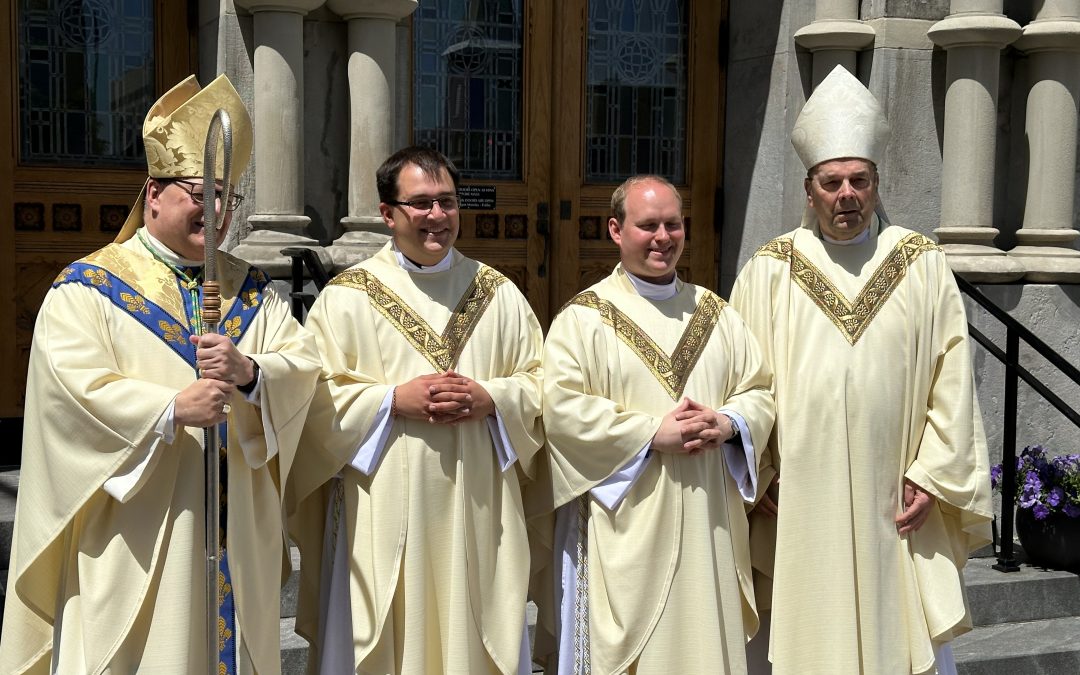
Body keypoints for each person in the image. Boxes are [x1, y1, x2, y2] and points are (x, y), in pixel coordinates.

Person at [0, 74, 321, 674]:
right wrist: (171, 409)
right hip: (135, 541)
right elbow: (68, 397)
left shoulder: (252, 290)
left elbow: (303, 372)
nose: (216, 210)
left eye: (227, 196)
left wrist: (251, 372)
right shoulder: (87, 289)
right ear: (152, 193)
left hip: (233, 540)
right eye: (199, 193)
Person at [730, 65, 993, 675]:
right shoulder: (769, 270)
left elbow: (952, 374)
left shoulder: (921, 263)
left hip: (892, 494)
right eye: (832, 182)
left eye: (858, 180)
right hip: (795, 496)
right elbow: (743, 382)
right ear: (809, 189)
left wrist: (934, 473)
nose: (845, 194)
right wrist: (758, 470)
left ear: (876, 185)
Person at [288, 146, 545, 674]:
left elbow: (546, 386)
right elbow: (309, 398)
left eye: (447, 203)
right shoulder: (347, 298)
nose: (437, 217)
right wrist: (389, 400)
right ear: (388, 214)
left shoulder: (499, 294)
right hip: (380, 511)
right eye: (421, 203)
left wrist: (492, 397)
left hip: (478, 507)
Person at [536, 175, 775, 674]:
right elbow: (561, 410)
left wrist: (728, 423)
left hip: (708, 523)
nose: (663, 238)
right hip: (623, 533)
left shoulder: (716, 314)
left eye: (673, 224)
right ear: (615, 230)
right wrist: (651, 434)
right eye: (648, 226)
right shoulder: (583, 320)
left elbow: (758, 390)